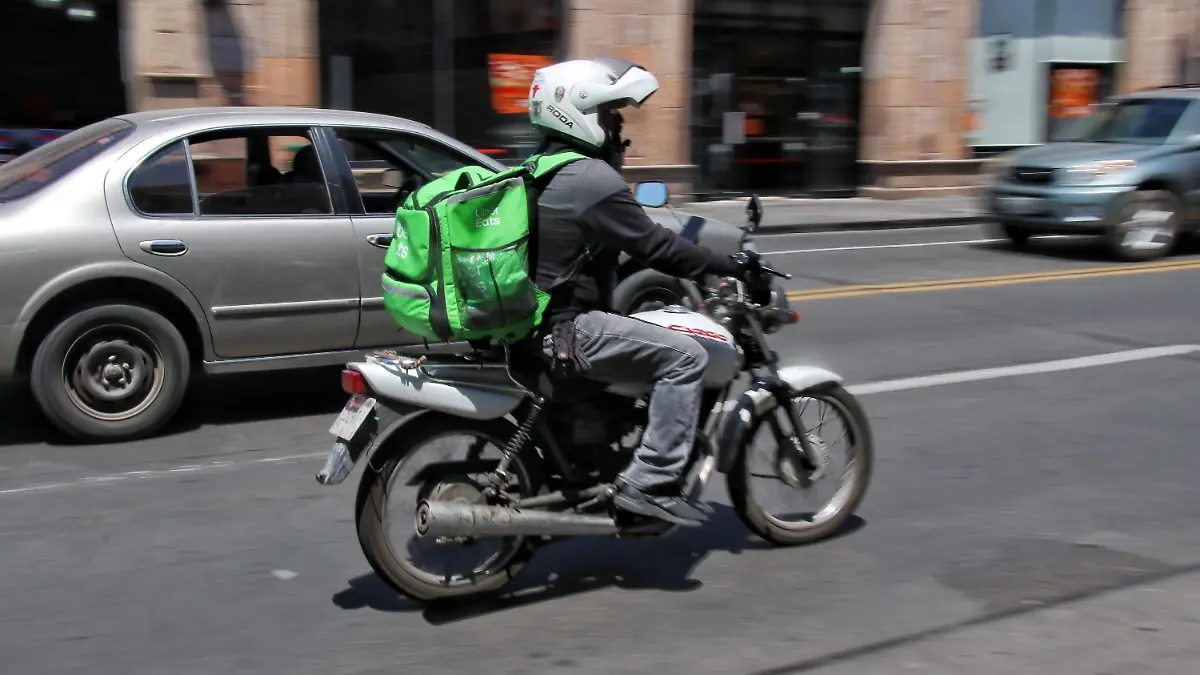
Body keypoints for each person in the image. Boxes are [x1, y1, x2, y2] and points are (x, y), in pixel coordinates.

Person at [525, 57, 757, 527]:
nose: (619, 133)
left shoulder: (540, 167)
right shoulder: (590, 179)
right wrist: (722, 266)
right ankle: (649, 483)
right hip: (569, 330)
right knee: (686, 357)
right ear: (581, 112)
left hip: (535, 323)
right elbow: (656, 246)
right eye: (613, 118)